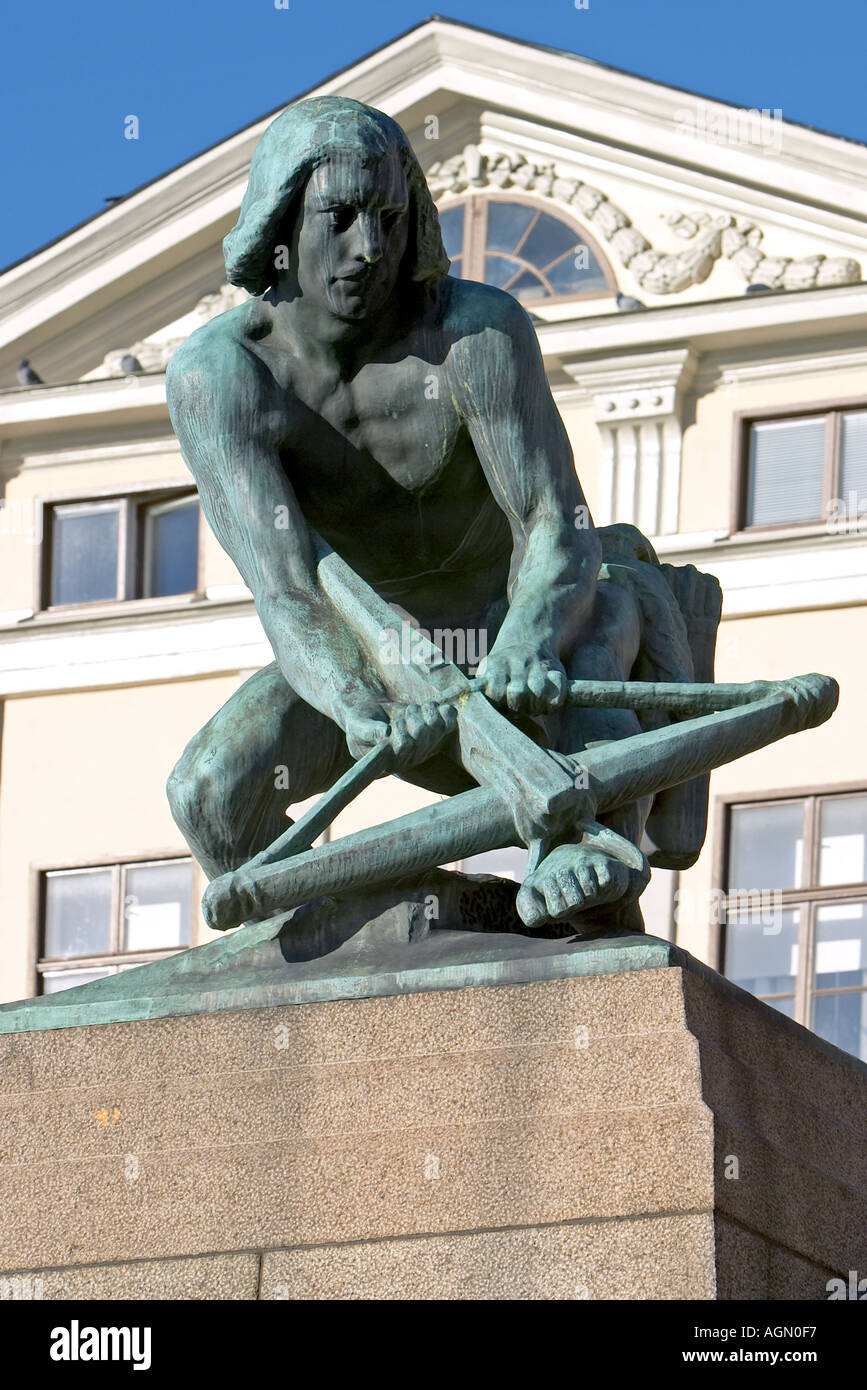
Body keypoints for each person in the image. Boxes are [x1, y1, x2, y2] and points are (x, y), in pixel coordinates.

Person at [166, 96, 718, 930]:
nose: (369, 246)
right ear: (278, 222)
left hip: (523, 626)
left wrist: (528, 642)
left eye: (389, 217)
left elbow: (550, 523)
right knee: (208, 795)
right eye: (339, 217)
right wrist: (358, 705)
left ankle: (586, 852)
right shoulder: (221, 377)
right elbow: (287, 592)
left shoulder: (475, 332)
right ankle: (367, 924)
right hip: (361, 650)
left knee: (597, 627)